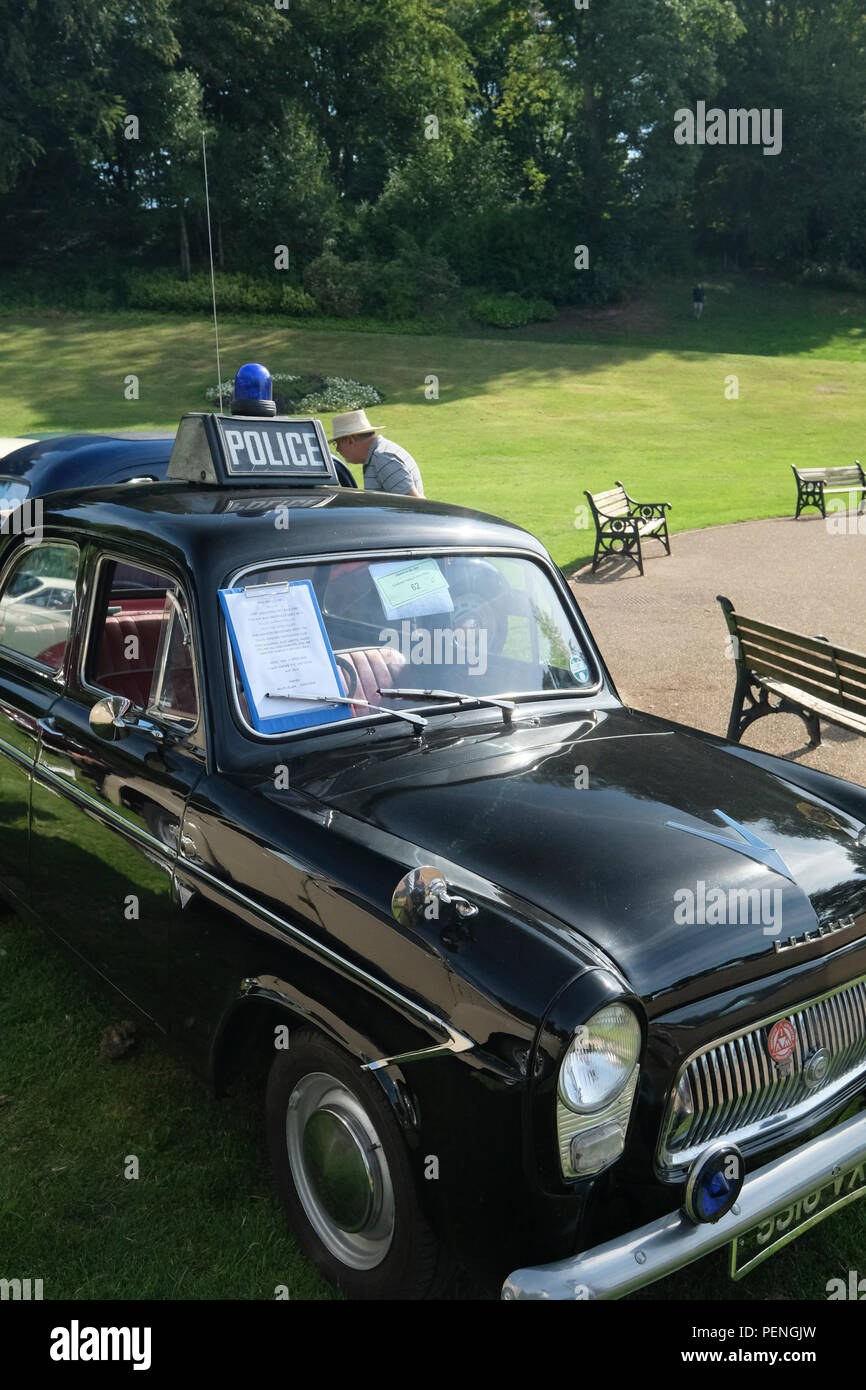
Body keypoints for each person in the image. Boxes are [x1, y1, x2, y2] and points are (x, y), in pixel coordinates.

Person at [330, 410, 424, 497]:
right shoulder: (379, 455)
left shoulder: (383, 458)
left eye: (338, 443)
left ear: (350, 440)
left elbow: (415, 503)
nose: (337, 449)